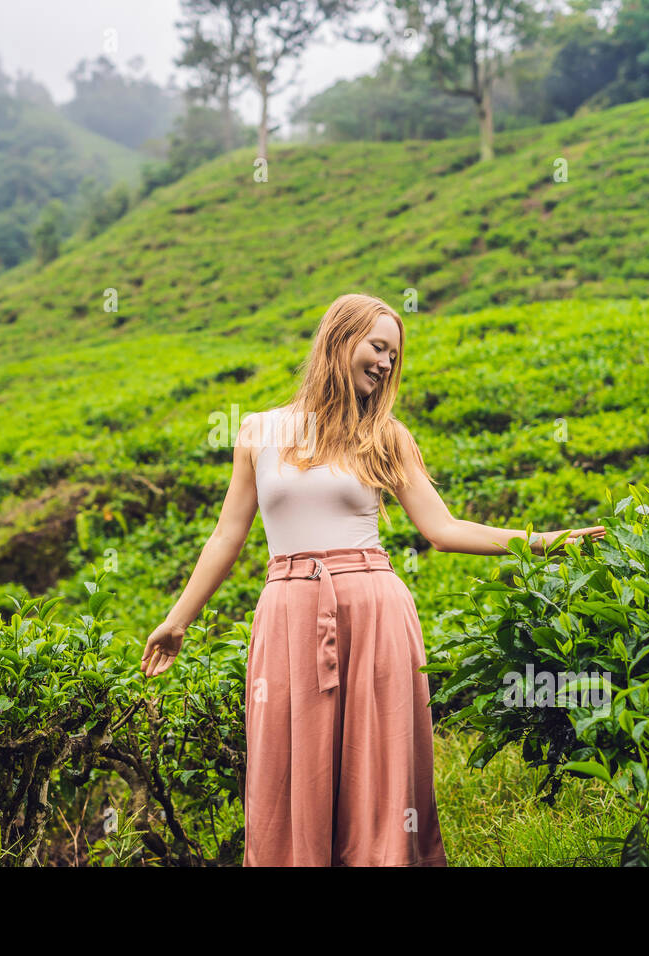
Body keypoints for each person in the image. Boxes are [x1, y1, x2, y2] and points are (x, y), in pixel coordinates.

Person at [140, 292, 606, 866]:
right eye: (377, 347)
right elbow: (226, 538)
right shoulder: (259, 432)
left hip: (374, 608)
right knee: (289, 765)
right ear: (340, 341)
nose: (386, 364)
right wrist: (176, 621)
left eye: (393, 355)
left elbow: (443, 528)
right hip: (288, 611)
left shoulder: (387, 436)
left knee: (379, 768)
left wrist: (542, 542)